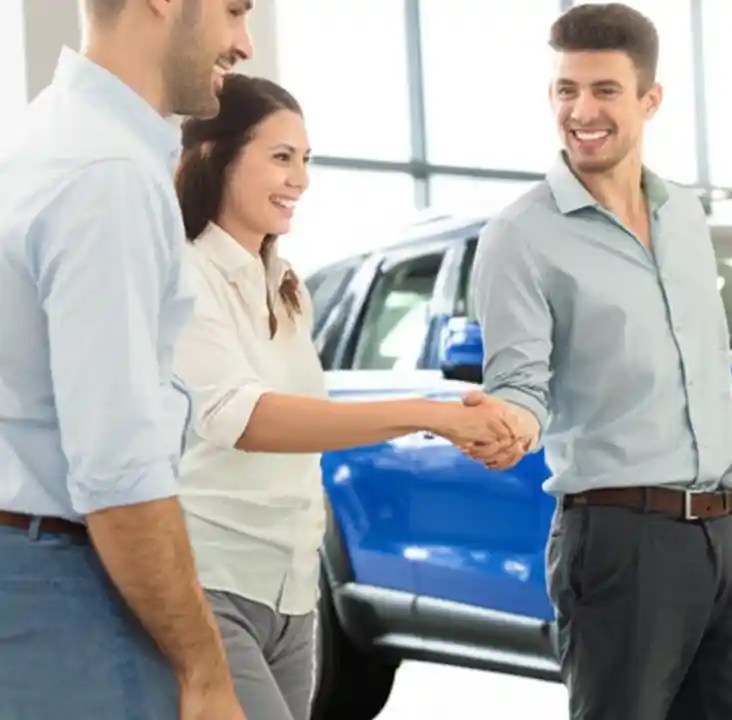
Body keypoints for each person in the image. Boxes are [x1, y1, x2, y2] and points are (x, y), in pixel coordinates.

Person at [171, 72, 519, 720]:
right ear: (216, 155)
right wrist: (426, 416)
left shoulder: (286, 290)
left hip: (293, 588)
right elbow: (240, 417)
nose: (299, 179)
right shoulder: (186, 276)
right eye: (280, 158)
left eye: (305, 160)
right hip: (212, 582)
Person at [465, 4, 732, 718]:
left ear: (649, 99)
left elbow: (708, 374)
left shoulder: (685, 215)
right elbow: (519, 384)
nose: (582, 110)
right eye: (566, 90)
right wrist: (507, 419)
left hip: (723, 534)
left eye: (604, 90)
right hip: (619, 543)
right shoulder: (521, 236)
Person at [0, 1, 255, 718]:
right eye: (234, 11)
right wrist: (208, 674)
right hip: (66, 593)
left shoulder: (38, 139)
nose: (244, 43)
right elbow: (119, 474)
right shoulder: (107, 174)